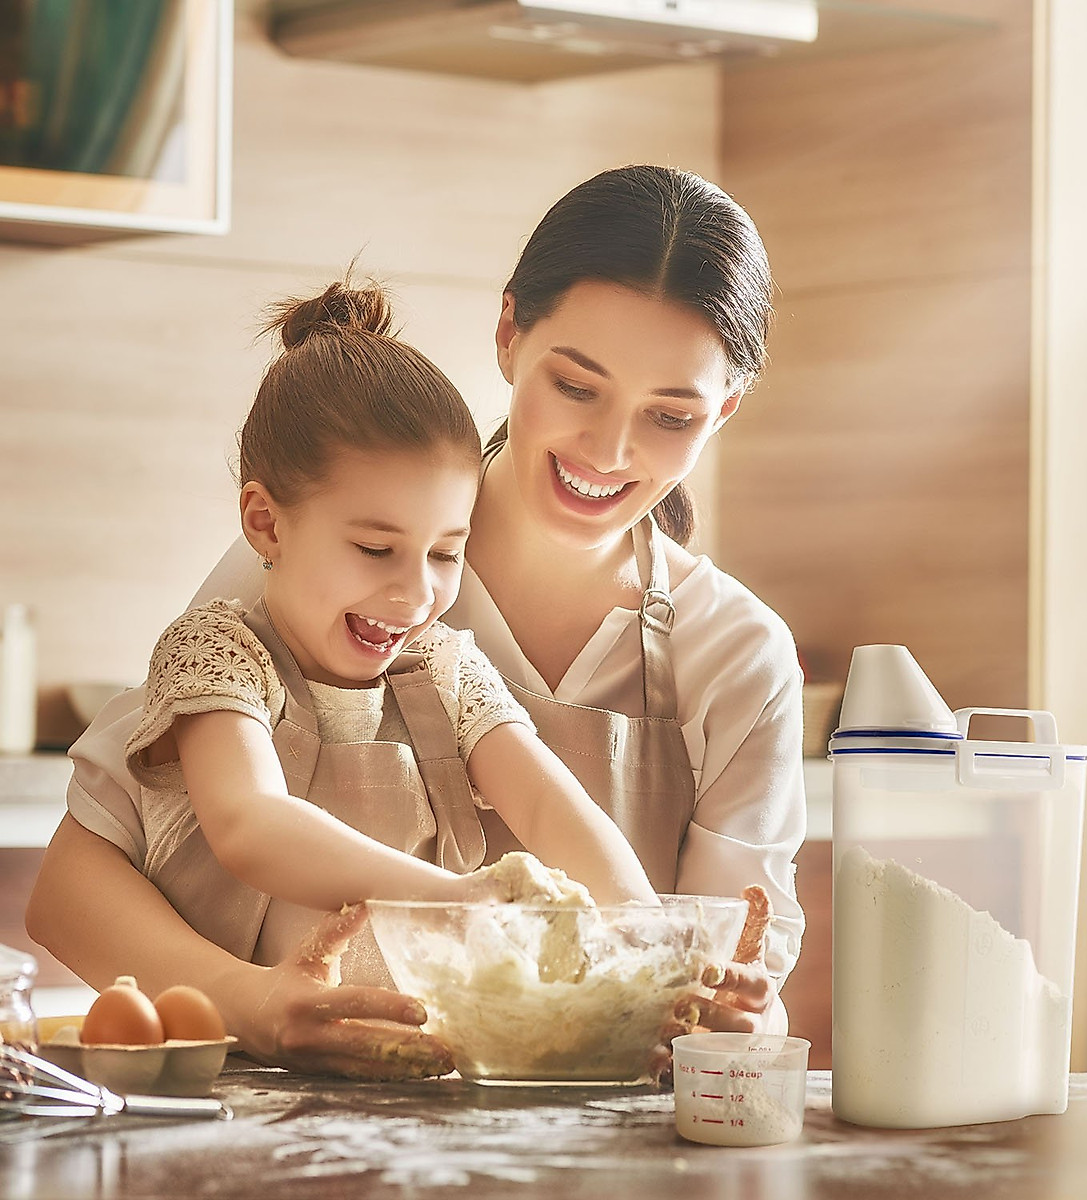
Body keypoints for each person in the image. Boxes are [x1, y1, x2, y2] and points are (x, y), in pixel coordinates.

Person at [27, 164, 806, 1076]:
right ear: (510, 332)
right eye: (578, 386)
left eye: (670, 415)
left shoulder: (737, 656)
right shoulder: (326, 551)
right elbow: (74, 888)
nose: (609, 451)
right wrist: (254, 1006)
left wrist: (725, 1016)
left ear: (725, 412)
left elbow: (708, 977)